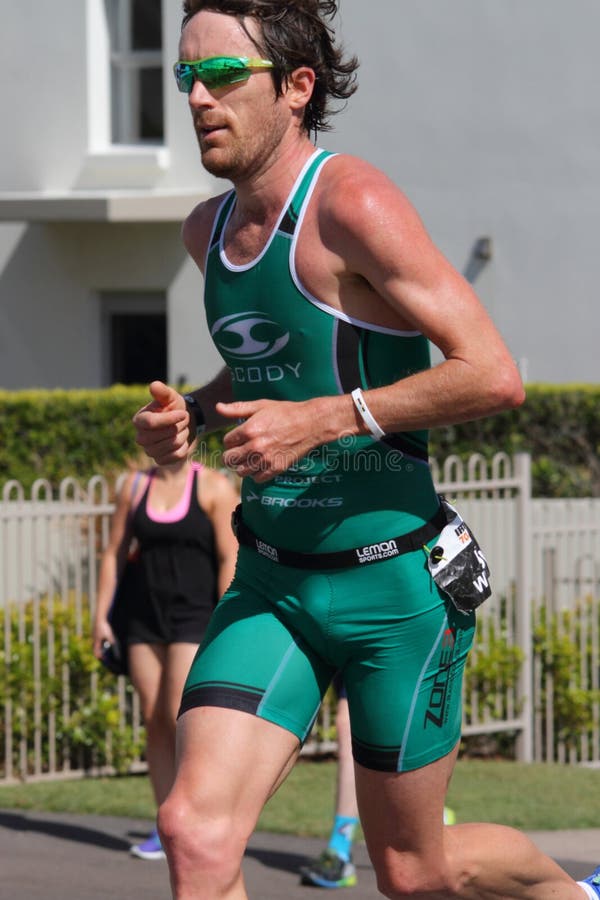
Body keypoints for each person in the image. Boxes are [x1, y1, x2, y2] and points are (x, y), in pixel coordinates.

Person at [131, 1, 600, 897]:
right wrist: (192, 412)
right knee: (194, 831)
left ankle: (568, 891)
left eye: (223, 75)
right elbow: (266, 369)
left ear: (297, 87)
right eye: (188, 75)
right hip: (273, 583)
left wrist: (324, 418)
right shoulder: (207, 231)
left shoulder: (354, 204)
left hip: (394, 590)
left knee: (413, 873)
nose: (198, 97)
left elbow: (493, 375)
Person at [93, 453, 239, 860]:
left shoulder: (213, 487)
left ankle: (195, 817)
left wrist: (225, 616)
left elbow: (231, 556)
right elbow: (114, 552)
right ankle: (165, 826)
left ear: (190, 436)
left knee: (179, 714)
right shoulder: (135, 486)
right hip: (144, 618)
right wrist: (100, 616)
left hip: (195, 616)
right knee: (153, 715)